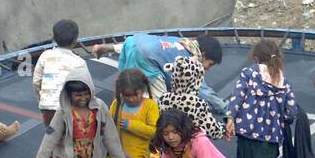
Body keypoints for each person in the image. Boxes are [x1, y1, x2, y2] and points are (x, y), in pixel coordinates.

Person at [227, 40, 299, 158]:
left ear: (256, 57)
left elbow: (237, 97)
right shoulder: (284, 81)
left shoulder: (249, 74)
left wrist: (230, 118)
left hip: (248, 135)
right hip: (272, 136)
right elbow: (291, 112)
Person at [91, 33, 229, 117]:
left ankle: (107, 48)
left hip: (135, 42)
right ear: (203, 55)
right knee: (162, 101)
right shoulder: (191, 60)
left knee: (134, 48)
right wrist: (223, 107)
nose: (208, 69)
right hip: (147, 60)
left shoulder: (180, 41)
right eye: (209, 64)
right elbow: (201, 89)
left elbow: (147, 45)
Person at [32, 19, 89, 129]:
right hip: (68, 108)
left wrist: (42, 101)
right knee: (69, 137)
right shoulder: (80, 62)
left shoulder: (45, 56)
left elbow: (36, 82)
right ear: (75, 39)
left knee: (51, 137)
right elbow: (88, 88)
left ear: (54, 37)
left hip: (47, 108)